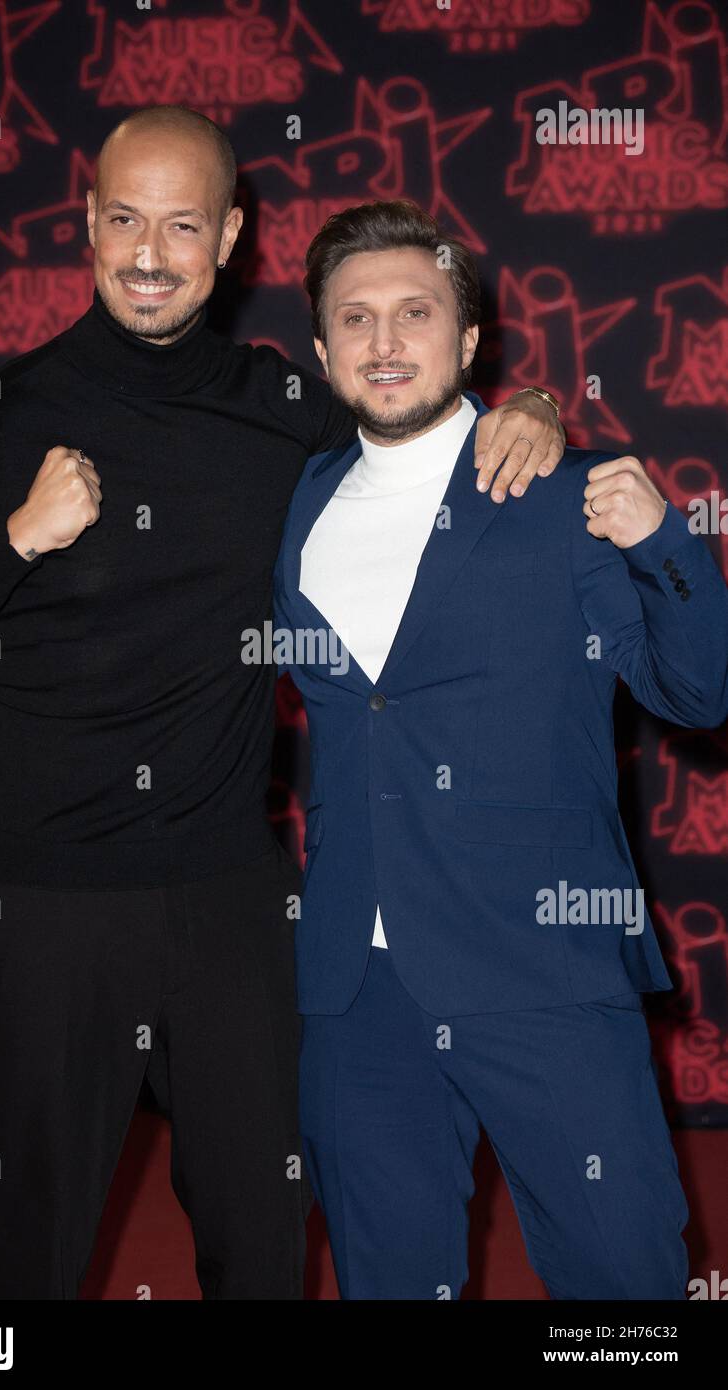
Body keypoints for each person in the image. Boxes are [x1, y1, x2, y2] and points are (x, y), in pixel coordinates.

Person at [0, 107, 565, 1300]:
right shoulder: (6, 415)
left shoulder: (286, 410)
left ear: (230, 237)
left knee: (262, 1244)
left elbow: (421, 408)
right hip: (38, 906)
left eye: (181, 223)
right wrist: (13, 542)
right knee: (21, 1265)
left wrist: (533, 407)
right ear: (85, 226)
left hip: (231, 902)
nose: (148, 251)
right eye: (124, 219)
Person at [272, 199, 728, 1300]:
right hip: (356, 979)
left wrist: (664, 541)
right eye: (356, 319)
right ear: (325, 350)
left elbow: (698, 692)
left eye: (414, 313)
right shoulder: (302, 496)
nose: (385, 342)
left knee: (621, 1285)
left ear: (467, 341)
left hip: (543, 964)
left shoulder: (564, 493)